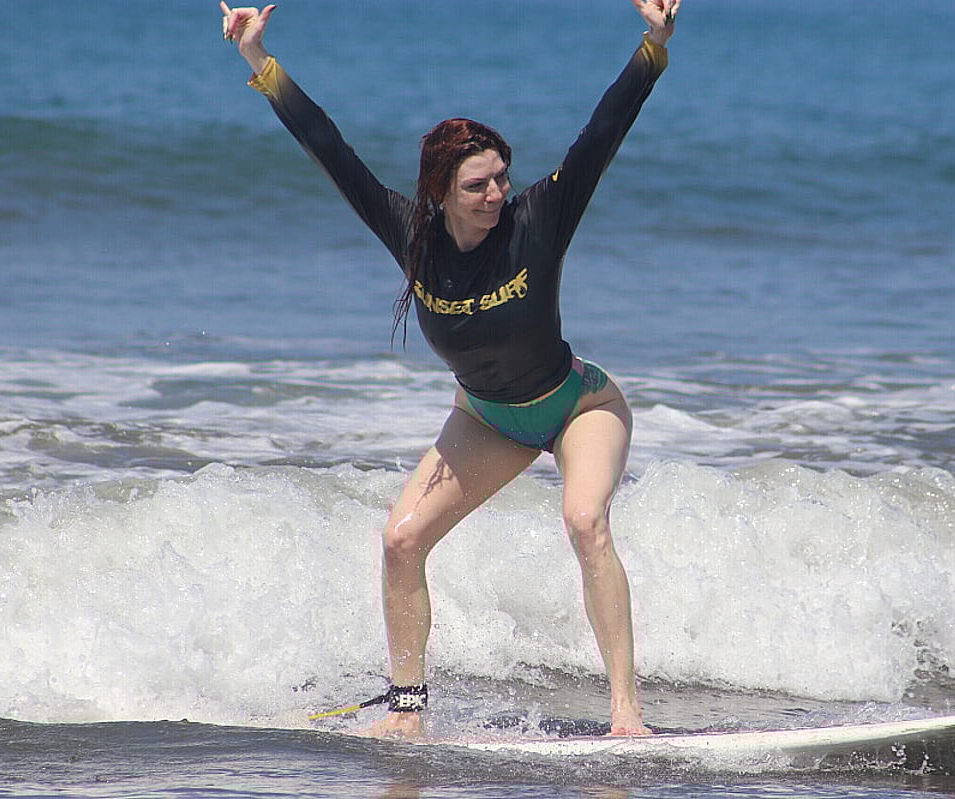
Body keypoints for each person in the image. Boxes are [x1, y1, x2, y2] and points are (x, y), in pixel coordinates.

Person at [220, 0, 680, 738]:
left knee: (584, 518)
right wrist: (259, 62)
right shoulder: (412, 235)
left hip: (575, 404)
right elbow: (328, 147)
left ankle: (626, 712)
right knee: (401, 540)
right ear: (441, 192)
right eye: (478, 185)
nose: (496, 193)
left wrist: (654, 41)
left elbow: (603, 131)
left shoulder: (538, 218)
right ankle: (408, 707)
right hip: (487, 419)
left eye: (501, 177)